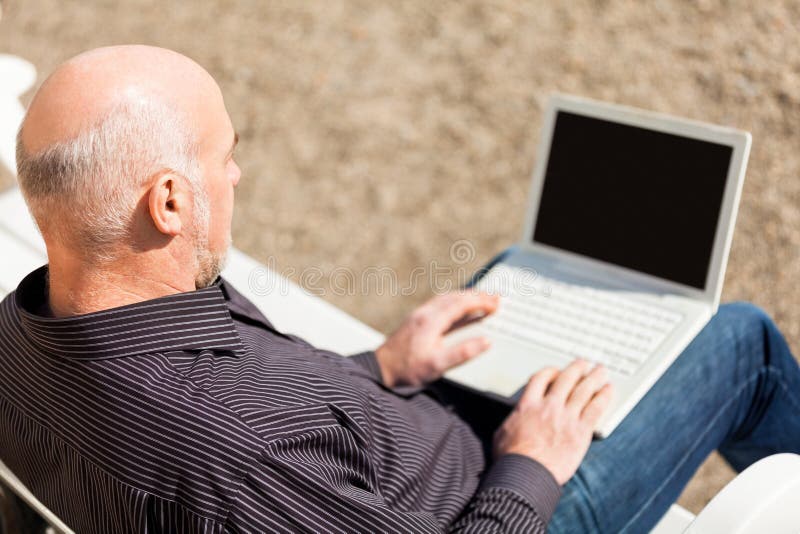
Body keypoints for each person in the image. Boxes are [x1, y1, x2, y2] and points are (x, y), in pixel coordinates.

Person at [0, 45, 798, 533]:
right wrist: (533, 461)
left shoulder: (21, 333)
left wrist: (382, 366)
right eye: (224, 155)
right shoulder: (236, 458)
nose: (236, 174)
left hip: (401, 447)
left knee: (506, 288)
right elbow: (256, 461)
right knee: (740, 341)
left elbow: (277, 434)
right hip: (507, 504)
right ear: (169, 203)